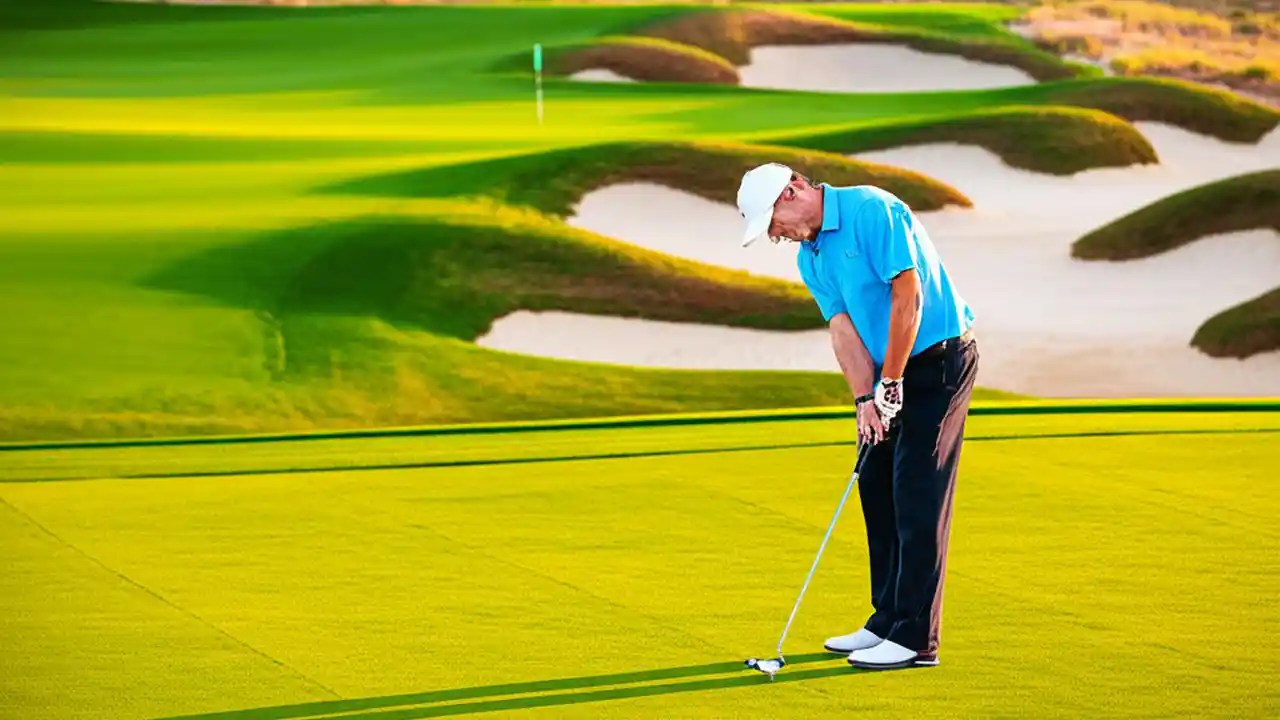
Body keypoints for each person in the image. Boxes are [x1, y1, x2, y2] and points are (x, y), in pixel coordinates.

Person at [736, 162, 980, 670]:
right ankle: (886, 619)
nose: (777, 236)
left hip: (938, 360)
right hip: (887, 373)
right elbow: (842, 329)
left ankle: (915, 638)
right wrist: (864, 400)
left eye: (774, 223)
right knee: (876, 488)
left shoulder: (872, 209)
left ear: (794, 189)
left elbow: (907, 297)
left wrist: (892, 379)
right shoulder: (812, 256)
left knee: (916, 494)